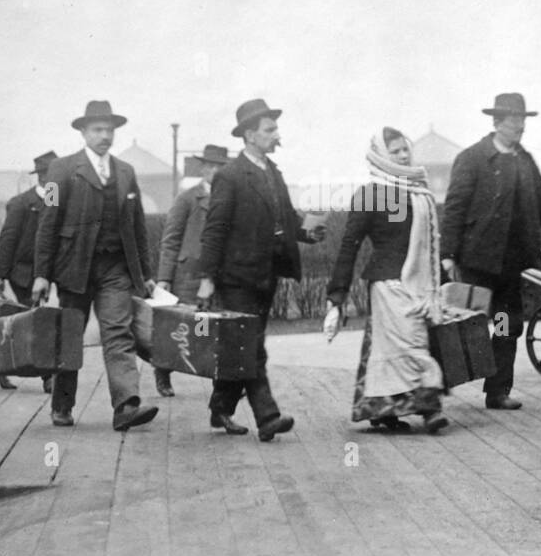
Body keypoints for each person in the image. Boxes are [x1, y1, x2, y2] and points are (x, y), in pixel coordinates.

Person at [196, 98, 327, 440]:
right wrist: (207, 279)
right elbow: (215, 229)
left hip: (266, 276)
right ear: (250, 135)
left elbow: (287, 217)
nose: (276, 134)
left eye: (275, 128)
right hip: (237, 277)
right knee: (252, 347)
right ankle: (267, 417)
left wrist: (308, 232)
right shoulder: (230, 175)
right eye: (270, 129)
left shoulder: (273, 173)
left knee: (240, 346)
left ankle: (220, 407)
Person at [440, 93, 541, 410]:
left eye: (523, 121)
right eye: (515, 121)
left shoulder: (525, 160)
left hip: (512, 265)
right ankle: (443, 384)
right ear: (497, 122)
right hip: (477, 261)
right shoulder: (472, 158)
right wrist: (448, 254)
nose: (521, 127)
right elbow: (454, 208)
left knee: (507, 324)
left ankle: (497, 391)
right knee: (467, 323)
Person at [33, 101, 158, 432]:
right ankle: (62, 404)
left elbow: (138, 227)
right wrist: (42, 274)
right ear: (84, 133)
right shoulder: (60, 170)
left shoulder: (126, 172)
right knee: (70, 335)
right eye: (98, 130)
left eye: (110, 130)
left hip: (115, 268)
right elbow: (47, 223)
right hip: (73, 268)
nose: (105, 136)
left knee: (118, 331)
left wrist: (145, 275)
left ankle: (126, 405)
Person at [327, 128, 449, 434]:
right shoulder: (370, 195)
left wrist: (443, 282)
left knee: (391, 348)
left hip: (420, 286)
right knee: (413, 346)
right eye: (395, 152)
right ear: (381, 155)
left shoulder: (418, 191)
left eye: (405, 149)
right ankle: (430, 408)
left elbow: (429, 245)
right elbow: (349, 245)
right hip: (388, 286)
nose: (404, 156)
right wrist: (336, 297)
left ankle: (382, 409)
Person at [153, 143, 229, 397]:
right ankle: (162, 371)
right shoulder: (187, 198)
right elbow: (171, 239)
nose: (214, 171)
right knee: (180, 326)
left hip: (218, 274)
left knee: (209, 325)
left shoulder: (230, 198)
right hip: (188, 274)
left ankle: (214, 378)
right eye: (209, 166)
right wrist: (164, 278)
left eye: (220, 166)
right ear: (202, 168)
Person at [0, 151, 57, 392]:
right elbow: (7, 239)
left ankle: (1, 363)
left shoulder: (57, 200)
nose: (56, 180)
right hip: (23, 272)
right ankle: (48, 377)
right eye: (51, 175)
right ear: (40, 176)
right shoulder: (20, 203)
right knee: (38, 322)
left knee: (31, 322)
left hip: (51, 273)